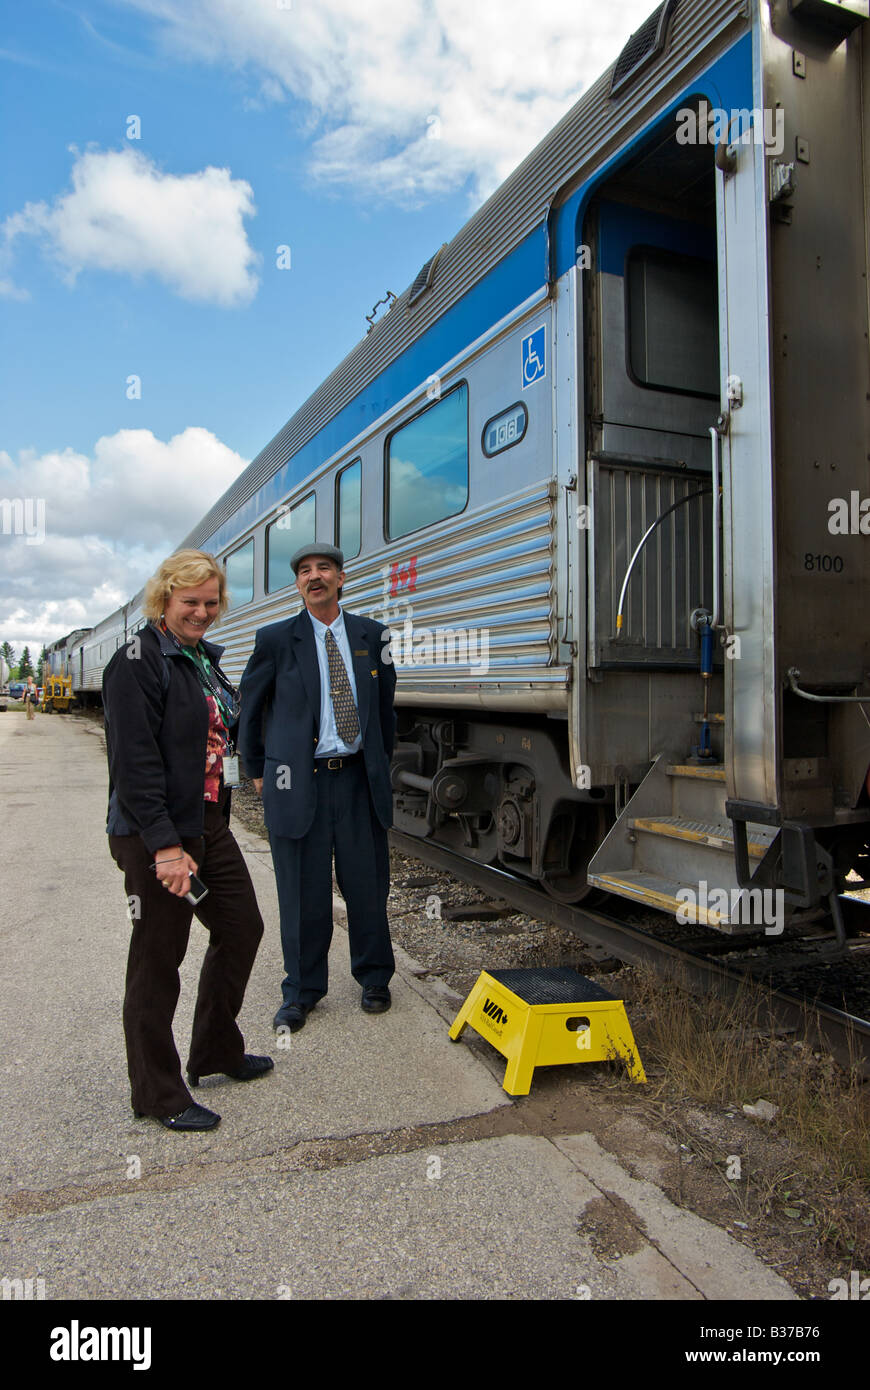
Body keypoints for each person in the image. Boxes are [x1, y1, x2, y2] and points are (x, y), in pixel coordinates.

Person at [102, 549, 272, 1132]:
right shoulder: (137, 661)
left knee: (241, 925)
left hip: (206, 824)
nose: (201, 611)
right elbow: (135, 764)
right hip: (158, 834)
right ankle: (157, 1093)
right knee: (158, 956)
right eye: (189, 602)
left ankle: (215, 1050)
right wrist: (165, 848)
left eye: (210, 602)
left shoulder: (200, 659)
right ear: (164, 599)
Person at [238, 543, 396, 1032]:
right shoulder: (275, 639)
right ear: (298, 585)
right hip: (297, 782)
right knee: (303, 892)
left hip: (356, 781)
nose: (314, 577)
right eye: (304, 571)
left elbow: (386, 708)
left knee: (367, 884)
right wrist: (257, 769)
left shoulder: (374, 635)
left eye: (323, 569)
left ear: (341, 578)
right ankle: (302, 990)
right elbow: (250, 707)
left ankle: (374, 977)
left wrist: (379, 764)